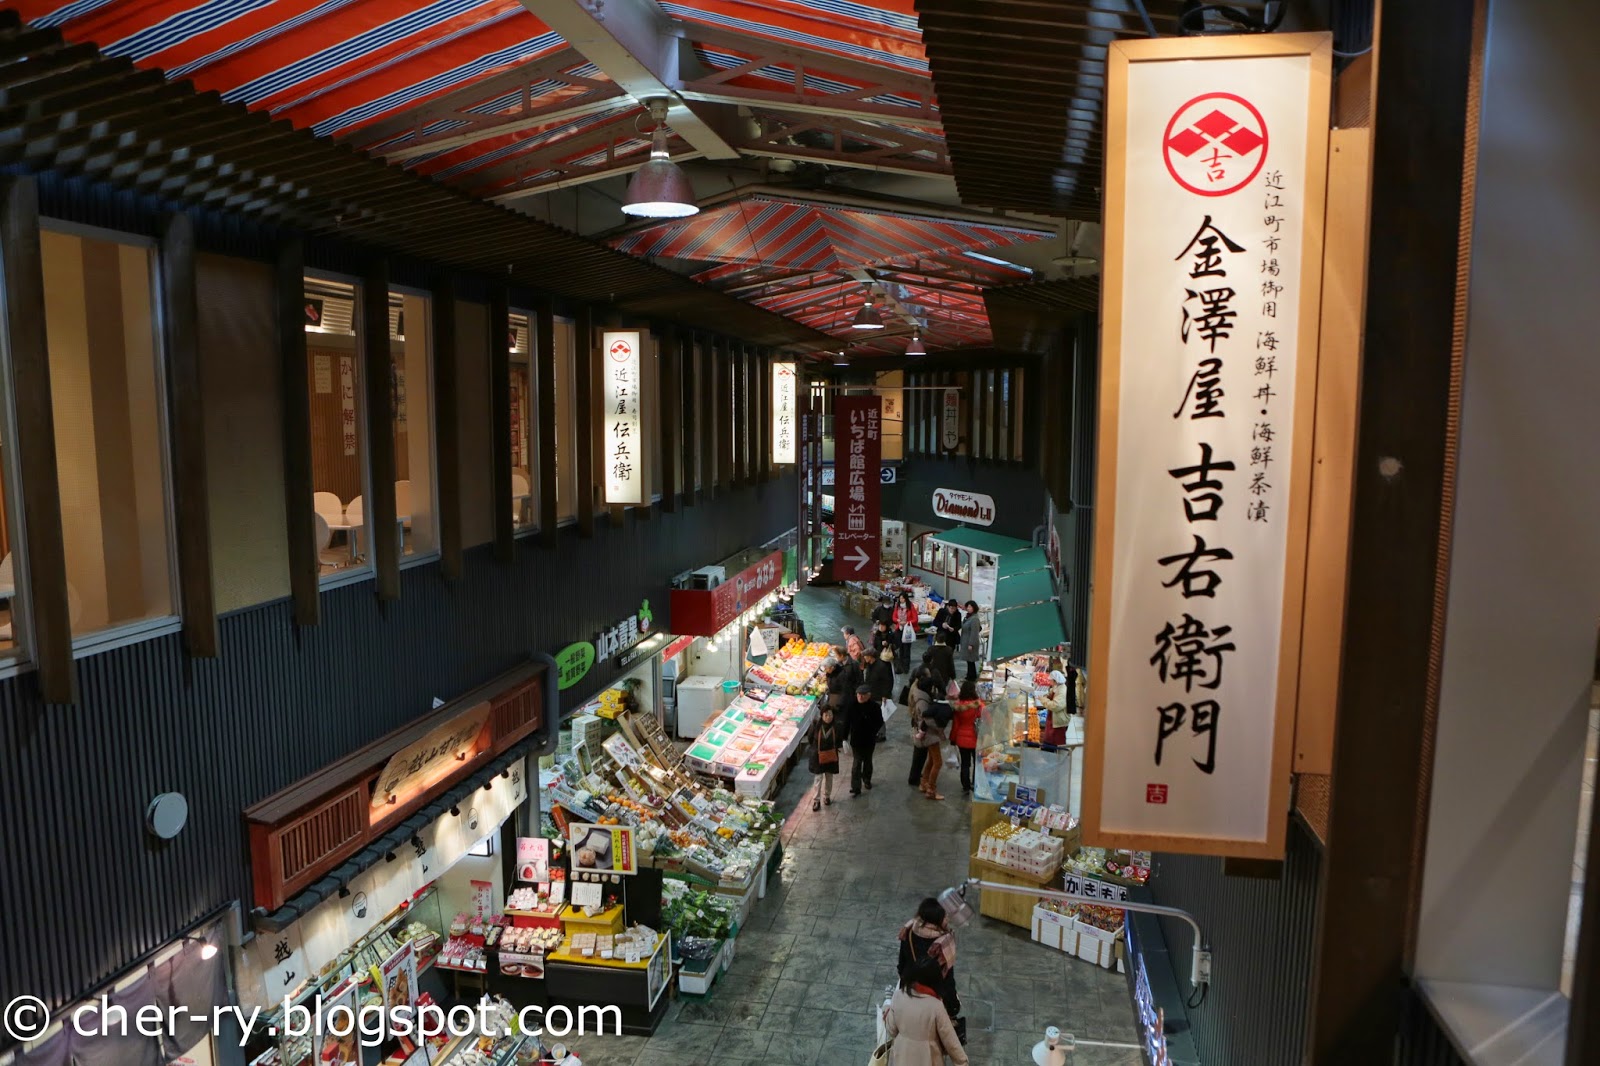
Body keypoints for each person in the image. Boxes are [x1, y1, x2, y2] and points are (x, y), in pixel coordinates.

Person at [897, 898, 963, 1044]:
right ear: (935, 921)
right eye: (945, 917)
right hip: (932, 995)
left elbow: (901, 965)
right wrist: (953, 1007)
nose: (948, 919)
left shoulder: (909, 930)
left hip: (910, 988)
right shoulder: (943, 943)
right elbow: (947, 981)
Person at [883, 957, 968, 1066]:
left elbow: (892, 1030)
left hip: (901, 1058)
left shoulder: (899, 996)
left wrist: (887, 1006)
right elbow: (951, 1041)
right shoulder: (936, 1006)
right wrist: (962, 1062)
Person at [845, 684, 882, 795]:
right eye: (858, 694)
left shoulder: (875, 707)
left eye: (862, 695)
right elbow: (847, 722)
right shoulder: (852, 706)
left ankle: (867, 779)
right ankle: (856, 787)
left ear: (868, 695)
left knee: (867, 761)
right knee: (856, 763)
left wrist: (873, 731)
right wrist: (843, 737)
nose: (860, 697)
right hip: (856, 740)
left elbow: (879, 722)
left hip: (869, 740)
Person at [950, 680, 983, 796]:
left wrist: (953, 738)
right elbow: (987, 720)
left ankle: (965, 786)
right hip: (975, 738)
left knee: (965, 763)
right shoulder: (978, 705)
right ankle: (975, 783)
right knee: (977, 763)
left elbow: (955, 725)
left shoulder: (958, 706)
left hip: (961, 739)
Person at [808, 705, 842, 811]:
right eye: (826, 715)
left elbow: (838, 740)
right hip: (818, 757)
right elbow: (810, 739)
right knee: (818, 778)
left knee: (829, 777)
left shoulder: (836, 726)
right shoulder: (816, 725)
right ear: (822, 715)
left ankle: (827, 796)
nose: (828, 717)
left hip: (830, 756)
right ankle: (816, 800)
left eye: (830, 715)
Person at [917, 685, 948, 801]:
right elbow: (929, 721)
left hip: (929, 736)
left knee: (931, 760)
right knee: (938, 762)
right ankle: (931, 790)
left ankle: (923, 783)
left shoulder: (931, 706)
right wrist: (940, 731)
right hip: (932, 738)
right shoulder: (935, 710)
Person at [906, 668, 934, 788]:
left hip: (917, 726)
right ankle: (914, 778)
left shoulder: (915, 688)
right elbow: (924, 716)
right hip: (920, 729)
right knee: (919, 755)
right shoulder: (922, 699)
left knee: (919, 754)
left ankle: (915, 776)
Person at [891, 592, 919, 673]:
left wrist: (907, 622)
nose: (901, 600)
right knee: (900, 648)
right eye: (900, 598)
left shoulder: (910, 606)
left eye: (903, 598)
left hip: (907, 630)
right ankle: (900, 666)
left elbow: (915, 619)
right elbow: (894, 617)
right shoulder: (897, 606)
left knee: (906, 649)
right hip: (899, 629)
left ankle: (906, 667)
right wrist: (898, 620)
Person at [958, 600, 982, 682]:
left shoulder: (974, 619)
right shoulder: (968, 617)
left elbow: (974, 633)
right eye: (967, 606)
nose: (968, 608)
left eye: (970, 607)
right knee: (969, 660)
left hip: (970, 642)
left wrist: (971, 644)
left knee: (971, 660)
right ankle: (970, 675)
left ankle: (971, 677)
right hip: (966, 641)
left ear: (974, 608)